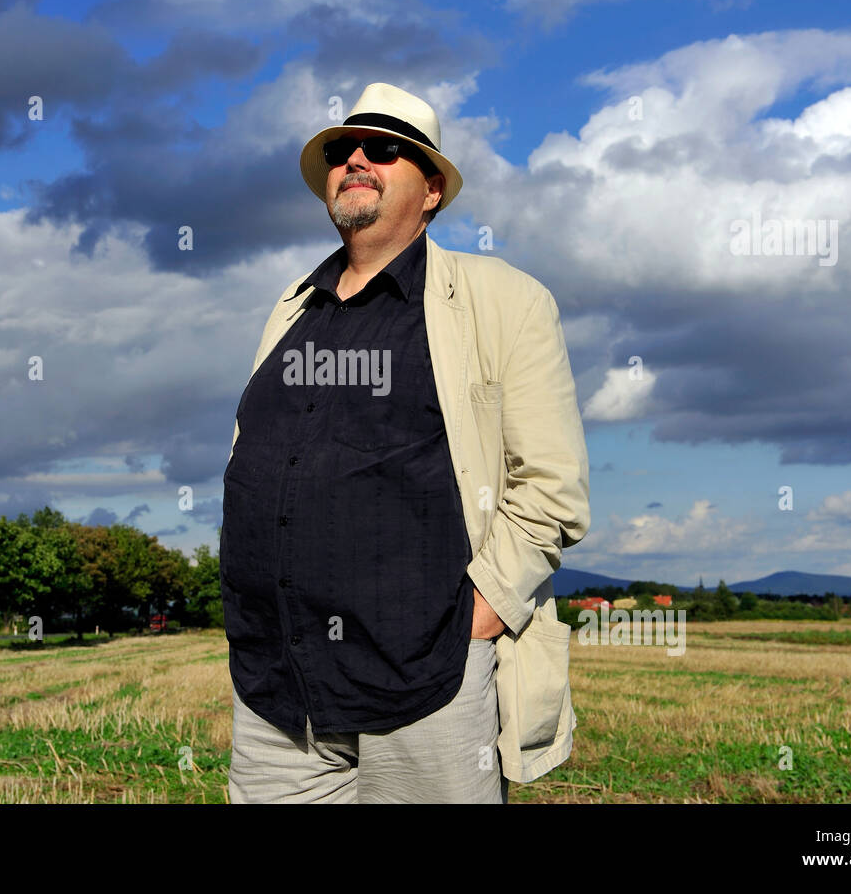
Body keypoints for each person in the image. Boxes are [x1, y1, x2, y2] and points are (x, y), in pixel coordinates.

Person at [220, 82, 590, 803]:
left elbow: (552, 486)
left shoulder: (503, 300)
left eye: (385, 149)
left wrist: (477, 618)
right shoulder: (292, 307)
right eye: (342, 149)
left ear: (431, 191)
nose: (356, 158)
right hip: (278, 691)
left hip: (426, 683)